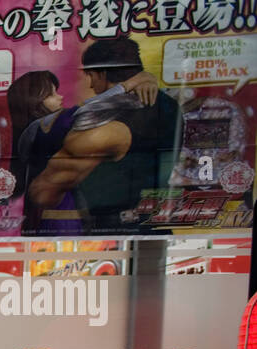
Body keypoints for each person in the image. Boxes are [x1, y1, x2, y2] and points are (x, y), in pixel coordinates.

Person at [28, 37, 182, 233]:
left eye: (92, 75)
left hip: (114, 231)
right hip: (158, 226)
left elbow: (43, 193)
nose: (91, 85)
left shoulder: (102, 131)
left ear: (103, 72)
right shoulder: (170, 105)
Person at [9, 66, 161, 234]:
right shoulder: (48, 125)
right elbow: (89, 106)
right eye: (51, 94)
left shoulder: (28, 135)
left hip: (37, 214)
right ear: (34, 101)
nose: (60, 97)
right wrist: (131, 83)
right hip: (60, 214)